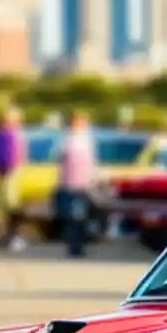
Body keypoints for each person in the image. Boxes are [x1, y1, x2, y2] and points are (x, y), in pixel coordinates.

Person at [56, 109, 96, 258]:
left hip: (83, 185)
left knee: (80, 217)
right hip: (70, 184)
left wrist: (92, 179)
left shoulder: (86, 138)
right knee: (72, 217)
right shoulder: (67, 138)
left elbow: (91, 162)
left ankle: (79, 246)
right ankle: (73, 246)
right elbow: (62, 161)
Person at [0, 107, 28, 251]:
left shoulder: (17, 135)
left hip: (11, 172)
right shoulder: (2, 134)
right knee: (4, 206)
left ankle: (11, 234)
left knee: (11, 205)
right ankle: (5, 234)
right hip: (3, 173)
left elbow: (19, 156)